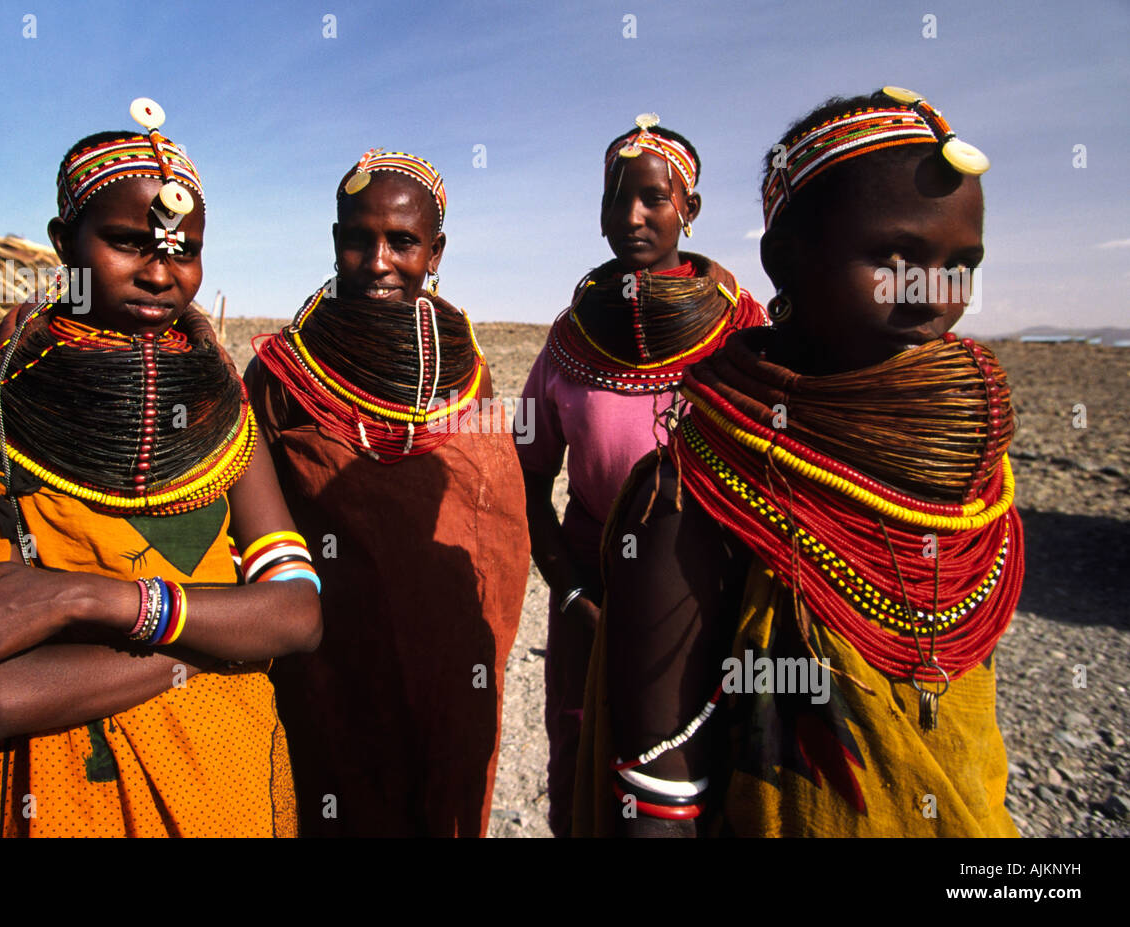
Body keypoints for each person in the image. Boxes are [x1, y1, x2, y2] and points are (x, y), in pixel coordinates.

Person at [0, 99, 320, 838]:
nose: (162, 275)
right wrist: (221, 634)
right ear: (65, 243)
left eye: (183, 249)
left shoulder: (218, 417)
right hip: (58, 797)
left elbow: (298, 613)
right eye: (130, 242)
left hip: (226, 784)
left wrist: (84, 599)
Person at [575, 88, 1023, 837]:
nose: (933, 297)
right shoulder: (700, 495)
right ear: (786, 258)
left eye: (961, 266)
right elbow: (656, 815)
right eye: (896, 257)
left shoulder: (972, 479)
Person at [244, 148, 529, 837]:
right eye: (356, 239)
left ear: (435, 251)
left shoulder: (468, 372)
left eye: (401, 241)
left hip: (444, 652)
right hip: (332, 657)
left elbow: (486, 521)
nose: (377, 261)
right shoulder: (284, 371)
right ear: (336, 241)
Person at [517, 114, 766, 835]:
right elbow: (530, 480)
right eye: (616, 200)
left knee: (707, 758)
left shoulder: (741, 331)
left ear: (687, 208)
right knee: (583, 747)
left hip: (709, 584)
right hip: (590, 582)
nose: (631, 216)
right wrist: (568, 588)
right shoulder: (571, 340)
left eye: (653, 199)